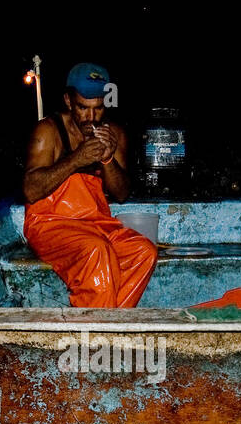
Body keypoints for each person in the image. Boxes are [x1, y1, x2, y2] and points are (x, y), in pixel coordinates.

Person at [22, 62, 157, 308]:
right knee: (97, 251)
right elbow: (31, 190)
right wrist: (77, 159)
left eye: (98, 108)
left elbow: (122, 194)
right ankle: (94, 331)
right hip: (48, 223)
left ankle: (108, 322)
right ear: (68, 101)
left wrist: (107, 159)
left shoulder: (114, 133)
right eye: (83, 108)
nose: (91, 117)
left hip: (94, 223)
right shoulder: (48, 131)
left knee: (144, 251)